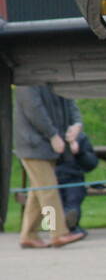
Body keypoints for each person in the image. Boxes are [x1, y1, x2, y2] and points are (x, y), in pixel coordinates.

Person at [13, 84, 86, 248]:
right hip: (33, 145)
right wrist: (52, 135)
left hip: (49, 145)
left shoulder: (55, 78)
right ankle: (58, 233)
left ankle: (29, 235)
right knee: (48, 191)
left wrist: (76, 124)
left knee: (37, 192)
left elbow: (69, 100)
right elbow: (34, 110)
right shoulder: (26, 82)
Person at [54, 127, 99, 232]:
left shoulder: (80, 138)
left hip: (73, 178)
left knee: (73, 199)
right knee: (51, 200)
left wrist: (80, 152)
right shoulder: (47, 136)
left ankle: (71, 226)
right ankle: (54, 228)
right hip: (51, 178)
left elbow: (91, 164)